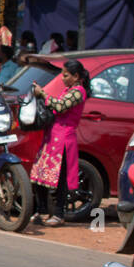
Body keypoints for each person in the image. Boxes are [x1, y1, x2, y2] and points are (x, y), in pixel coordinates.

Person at [29, 59, 90, 227]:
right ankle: (41, 211)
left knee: (59, 179)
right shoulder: (69, 90)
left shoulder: (78, 92)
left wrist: (43, 94)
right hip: (52, 137)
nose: (62, 78)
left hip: (63, 139)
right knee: (40, 175)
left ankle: (58, 214)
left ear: (76, 76)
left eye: (66, 75)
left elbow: (61, 106)